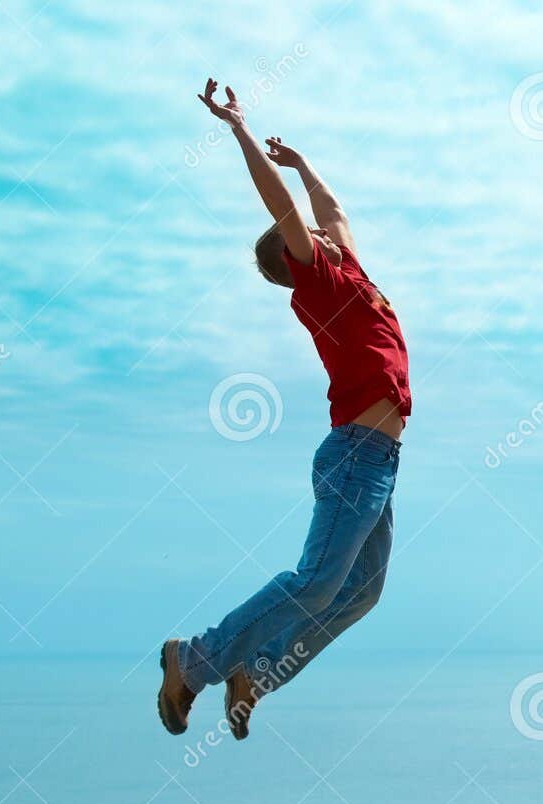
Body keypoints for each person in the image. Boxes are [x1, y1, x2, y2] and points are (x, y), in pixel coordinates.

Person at [158, 78, 410, 741]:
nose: (323, 229)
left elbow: (333, 209)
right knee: (319, 581)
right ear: (300, 255)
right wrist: (240, 130)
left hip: (379, 461)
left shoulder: (352, 272)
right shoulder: (322, 285)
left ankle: (257, 671)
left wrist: (303, 164)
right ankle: (195, 660)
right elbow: (288, 209)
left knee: (360, 591)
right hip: (356, 454)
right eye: (308, 232)